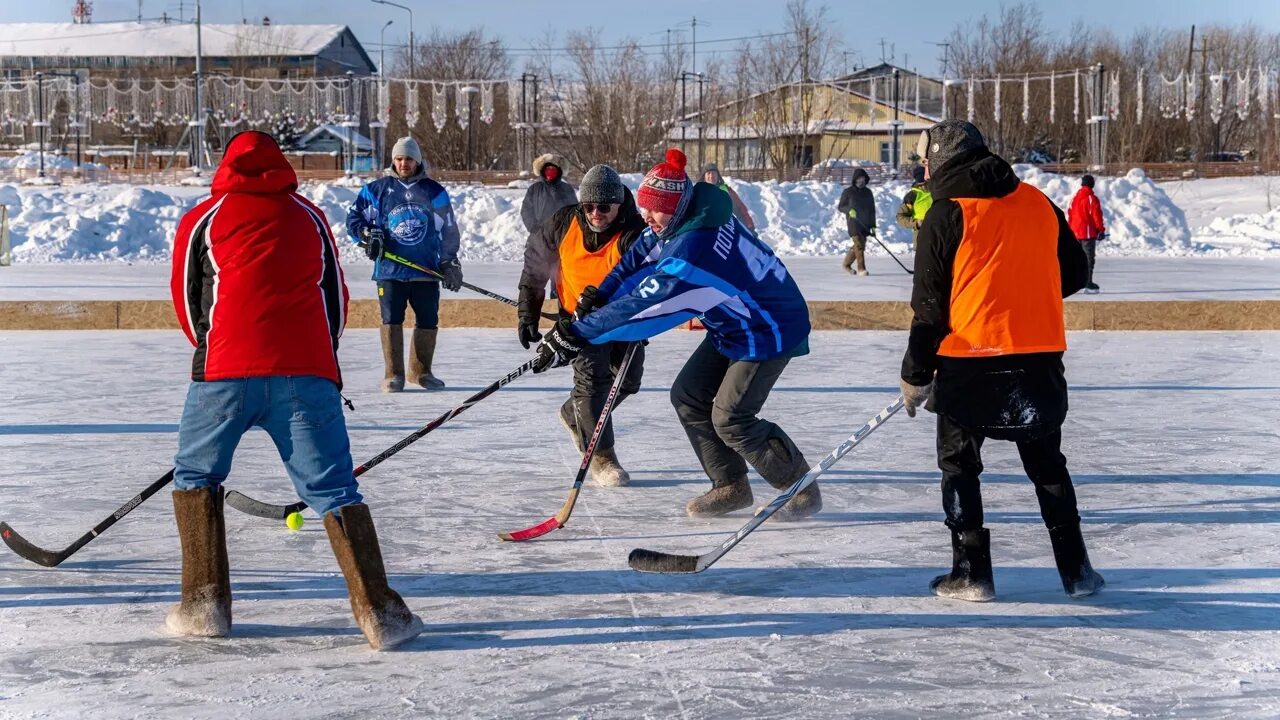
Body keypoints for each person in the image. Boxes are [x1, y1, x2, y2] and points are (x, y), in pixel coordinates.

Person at [168, 131, 423, 650]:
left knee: (196, 475)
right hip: (305, 374)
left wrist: (209, 348)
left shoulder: (204, 218)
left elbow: (186, 295)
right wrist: (321, 360)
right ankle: (382, 615)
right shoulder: (308, 215)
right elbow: (335, 296)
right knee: (333, 489)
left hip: (224, 373)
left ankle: (203, 607)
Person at [532, 148, 821, 521]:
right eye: (645, 207)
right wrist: (599, 296)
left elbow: (647, 307)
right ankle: (730, 485)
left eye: (655, 210)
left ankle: (800, 490)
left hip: (769, 328)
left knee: (731, 417)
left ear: (677, 203)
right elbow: (636, 260)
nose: (647, 217)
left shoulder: (695, 247)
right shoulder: (681, 215)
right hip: (733, 324)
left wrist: (578, 333)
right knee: (688, 395)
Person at [898, 120, 1104, 602]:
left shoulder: (946, 213)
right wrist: (1021, 294)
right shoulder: (1036, 202)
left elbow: (928, 309)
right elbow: (1074, 271)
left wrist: (915, 374)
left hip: (970, 358)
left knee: (959, 465)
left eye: (925, 161)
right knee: (1048, 464)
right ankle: (1077, 572)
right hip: (1037, 356)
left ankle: (971, 574)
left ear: (941, 160)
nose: (923, 170)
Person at [516, 165, 648, 486]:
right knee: (592, 386)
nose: (596, 213)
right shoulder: (564, 222)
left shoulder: (634, 231)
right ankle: (603, 458)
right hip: (578, 322)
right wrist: (528, 313)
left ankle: (573, 411)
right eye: (589, 206)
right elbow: (536, 265)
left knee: (627, 381)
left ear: (618, 203)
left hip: (622, 318)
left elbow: (643, 280)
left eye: (604, 207)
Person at [346, 136, 463, 393]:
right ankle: (393, 374)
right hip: (390, 270)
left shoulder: (434, 192)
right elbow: (354, 218)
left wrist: (449, 261)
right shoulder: (377, 190)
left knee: (428, 319)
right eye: (399, 158)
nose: (403, 163)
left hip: (426, 270)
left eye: (408, 158)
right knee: (392, 319)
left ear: (417, 160)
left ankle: (421, 372)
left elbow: (449, 229)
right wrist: (367, 235)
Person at [521, 153, 579, 233]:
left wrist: (568, 228)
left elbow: (574, 211)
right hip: (539, 234)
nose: (550, 170)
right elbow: (526, 210)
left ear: (559, 170)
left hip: (562, 234)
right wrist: (534, 228)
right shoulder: (534, 189)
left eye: (553, 168)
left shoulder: (567, 189)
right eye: (548, 168)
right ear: (543, 170)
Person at [1068, 174, 1106, 292]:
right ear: (1092, 184)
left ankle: (1073, 283)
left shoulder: (1074, 198)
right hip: (1087, 234)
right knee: (1088, 258)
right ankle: (1087, 283)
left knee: (1076, 259)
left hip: (1075, 233)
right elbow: (1097, 216)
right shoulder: (1091, 199)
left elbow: (1070, 214)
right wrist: (1100, 230)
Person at [836, 168, 876, 276]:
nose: (861, 181)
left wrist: (873, 226)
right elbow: (841, 206)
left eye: (863, 178)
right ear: (855, 179)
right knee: (858, 244)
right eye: (859, 178)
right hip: (854, 222)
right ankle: (861, 269)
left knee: (859, 245)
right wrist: (849, 210)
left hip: (865, 223)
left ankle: (846, 264)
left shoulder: (868, 192)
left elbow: (872, 210)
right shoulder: (848, 192)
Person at [701, 162, 755, 231]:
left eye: (714, 173)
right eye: (708, 173)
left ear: (718, 176)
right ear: (704, 177)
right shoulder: (698, 192)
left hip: (724, 232)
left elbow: (740, 209)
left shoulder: (726, 191)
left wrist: (749, 227)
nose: (711, 176)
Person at [896, 164, 932, 251]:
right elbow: (900, 217)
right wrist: (916, 223)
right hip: (921, 234)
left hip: (937, 232)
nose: (923, 185)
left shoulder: (936, 191)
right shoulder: (912, 196)